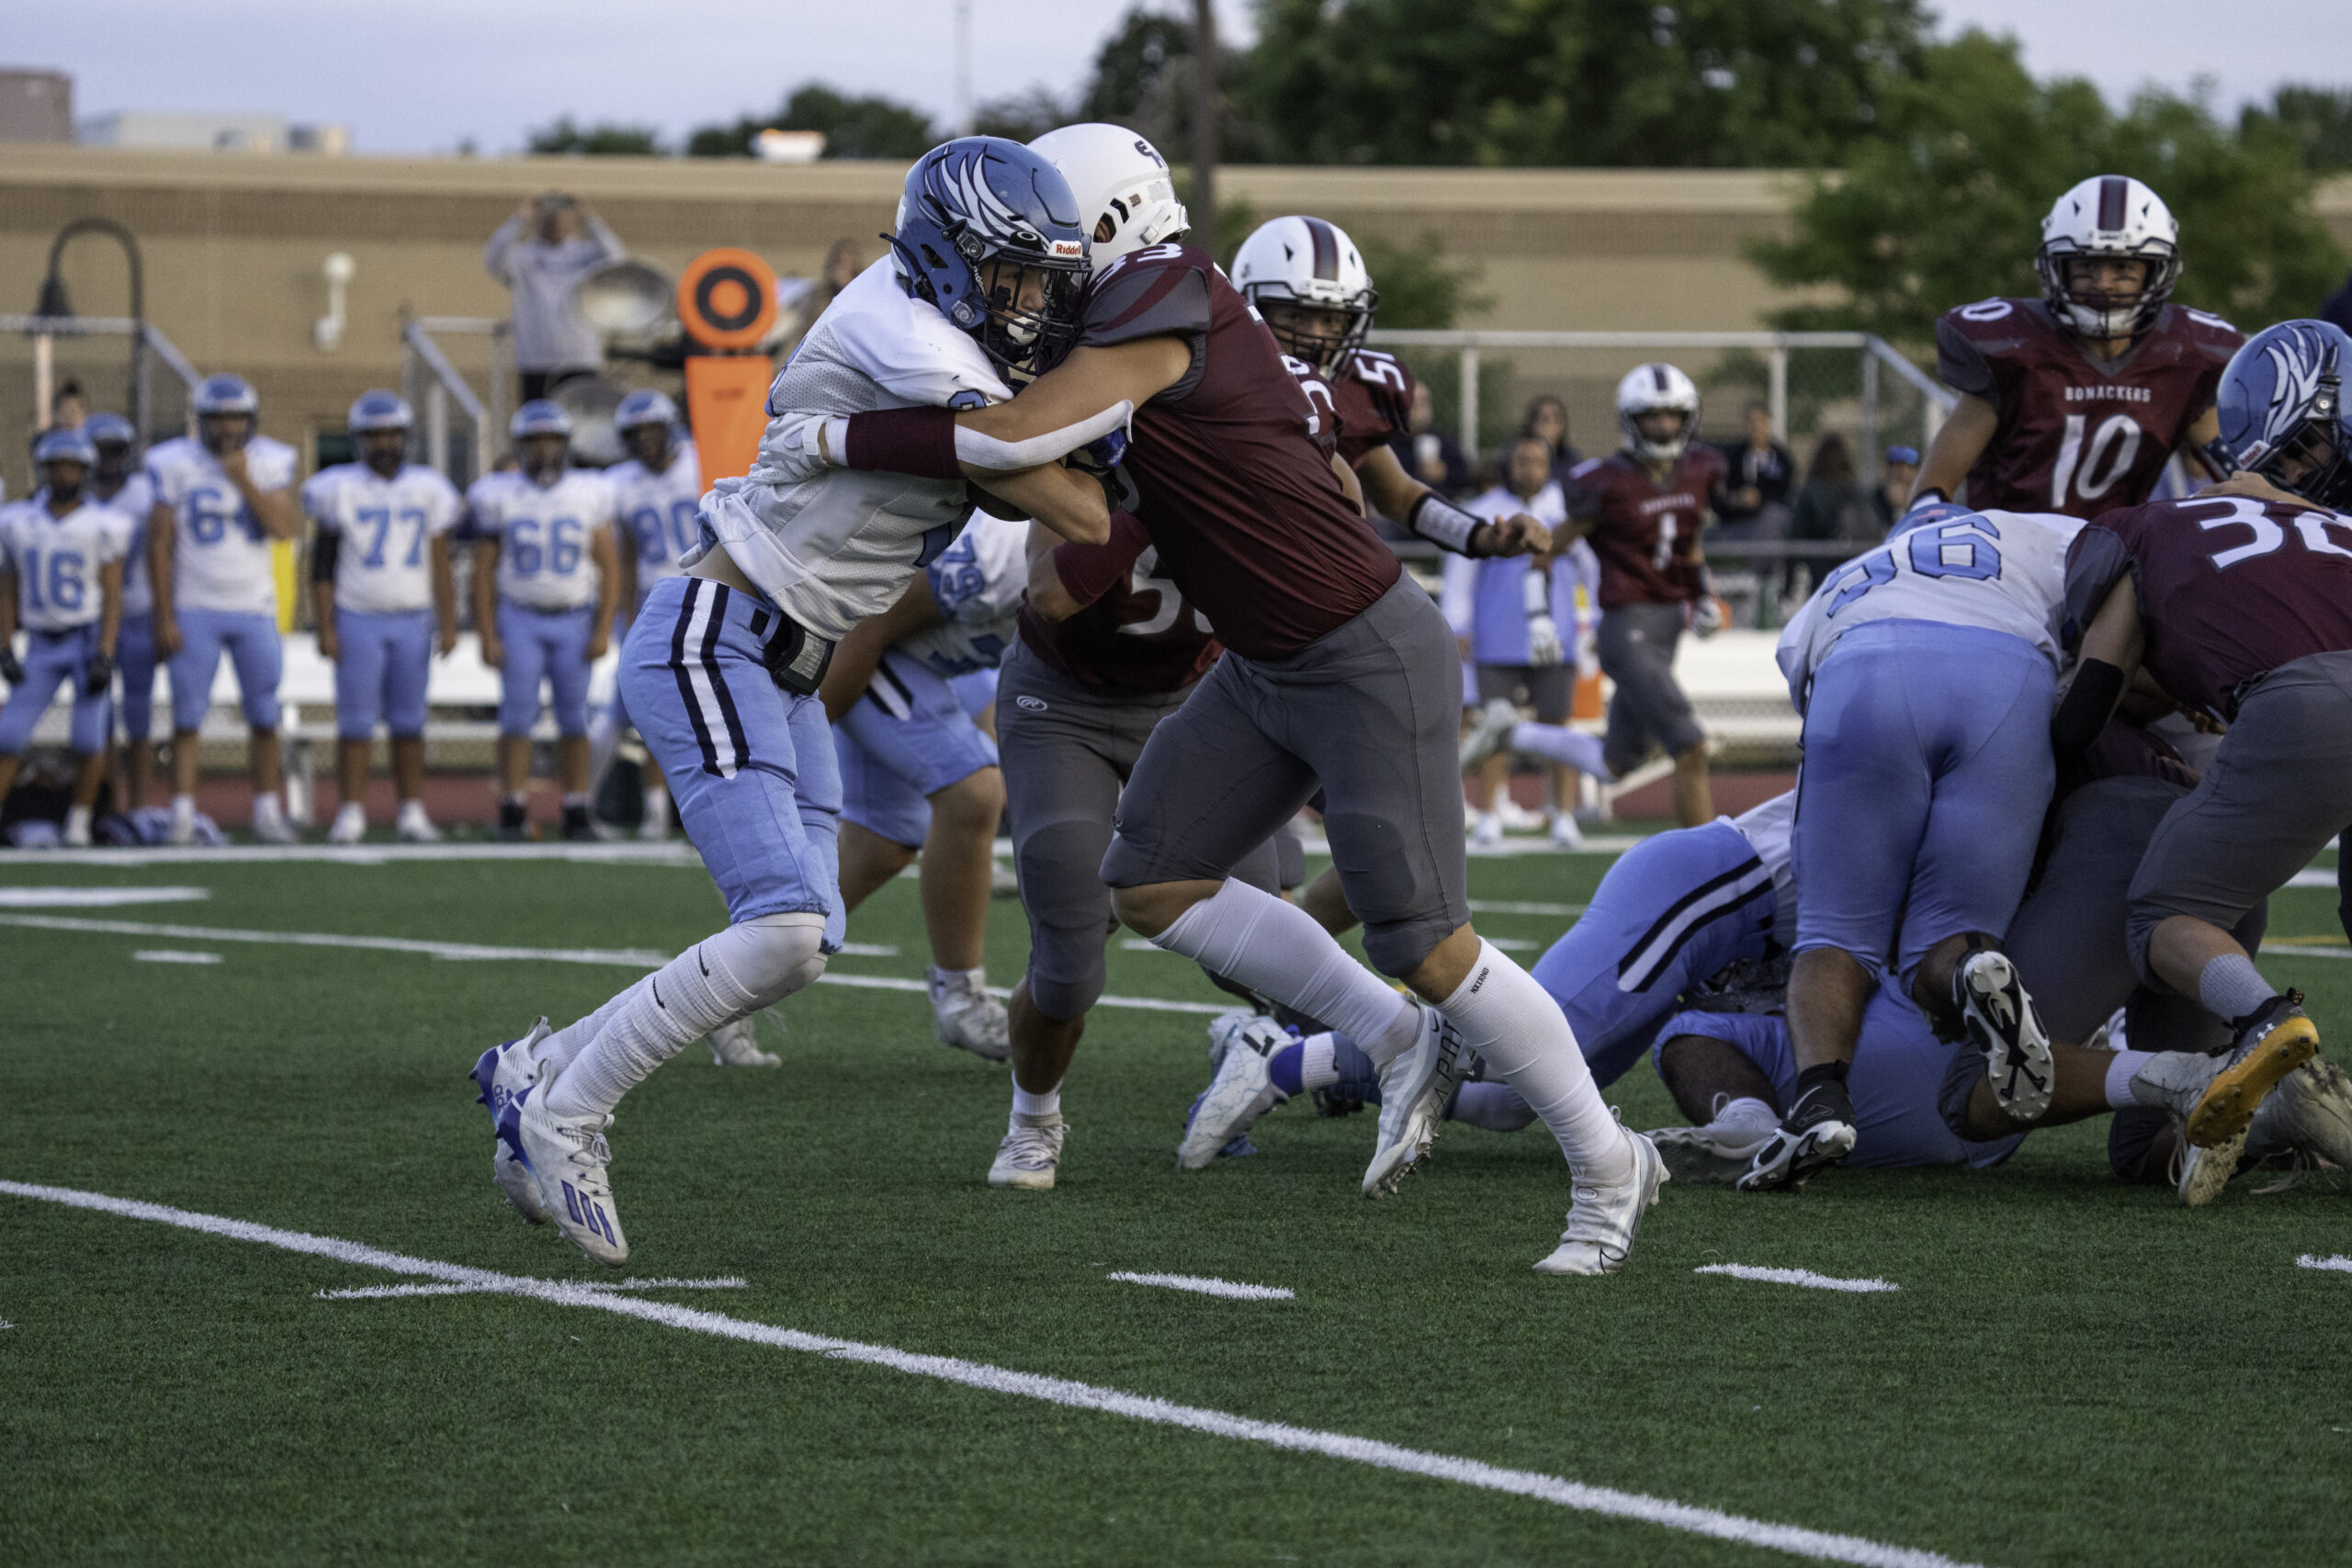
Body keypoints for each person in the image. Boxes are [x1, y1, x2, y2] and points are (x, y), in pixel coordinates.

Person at [818, 136, 1659, 1278]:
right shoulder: (1137, 310)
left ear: (1108, 222)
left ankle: (1610, 1165)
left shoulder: (1165, 293)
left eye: (1056, 234)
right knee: (1152, 880)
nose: (1041, 263)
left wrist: (831, 431)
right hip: (1264, 662)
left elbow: (1014, 437)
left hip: (1363, 649)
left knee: (1424, 935)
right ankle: (1395, 1036)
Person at [472, 136, 1112, 1265]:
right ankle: (564, 1119)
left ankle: (539, 1067)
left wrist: (848, 436)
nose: (1028, 304)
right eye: (1012, 276)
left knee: (803, 942)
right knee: (783, 927)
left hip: (789, 662)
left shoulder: (936, 328)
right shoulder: (900, 324)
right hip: (717, 640)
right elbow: (1055, 491)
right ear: (951, 256)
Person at [2047, 319, 2352, 1175]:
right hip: (2316, 700)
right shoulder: (2342, 531)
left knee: (2166, 912)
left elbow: (2085, 707)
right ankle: (2282, 1127)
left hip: (2312, 702)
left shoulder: (2147, 526)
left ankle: (2267, 1021)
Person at [1181, 792, 1792, 1171]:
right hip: (1712, 892)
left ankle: (1298, 1062)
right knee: (1505, 1054)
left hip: (1758, 936)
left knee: (1504, 1103)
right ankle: (1276, 1054)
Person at [1748, 502, 2082, 1191]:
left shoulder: (1858, 570)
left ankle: (1820, 1100)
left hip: (1864, 665)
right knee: (1955, 934)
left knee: (1836, 933)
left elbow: (1804, 687)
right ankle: (1969, 973)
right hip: (2010, 675)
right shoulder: (2042, 532)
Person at [815, 512, 1026, 1060]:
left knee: (880, 845)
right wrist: (800, 752)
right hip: (861, 635)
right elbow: (869, 622)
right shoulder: (999, 552)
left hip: (929, 657)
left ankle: (735, 972)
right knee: (973, 791)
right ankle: (960, 996)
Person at [1912, 175, 2243, 515]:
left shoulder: (2186, 358)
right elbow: (1932, 490)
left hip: (2118, 555)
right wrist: (1929, 521)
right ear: (2057, 268)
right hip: (2008, 555)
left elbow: (2244, 479)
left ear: (2155, 272)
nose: (2103, 284)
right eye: (2086, 266)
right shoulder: (2013, 349)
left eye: (2123, 268)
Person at [1561, 363, 1726, 828]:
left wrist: (1704, 596)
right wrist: (1536, 611)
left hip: (1668, 623)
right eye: (1652, 417)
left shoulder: (1700, 470)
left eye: (1673, 415)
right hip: (1625, 623)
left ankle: (1512, 733)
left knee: (1615, 764)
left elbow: (1690, 545)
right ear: (1630, 420)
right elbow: (1549, 548)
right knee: (1690, 744)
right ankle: (1706, 864)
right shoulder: (1603, 481)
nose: (1665, 426)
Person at [145, 373, 302, 845]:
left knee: (264, 717)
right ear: (202, 421)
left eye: (235, 417)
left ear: (250, 421)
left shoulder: (270, 461)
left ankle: (267, 812)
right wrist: (164, 615)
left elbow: (282, 527)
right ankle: (181, 815)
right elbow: (159, 545)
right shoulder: (173, 463)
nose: (226, 428)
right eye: (217, 418)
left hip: (254, 607)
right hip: (196, 606)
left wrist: (242, 477)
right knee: (187, 720)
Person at [300, 391, 462, 845]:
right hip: (357, 617)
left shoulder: (428, 488)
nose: (383, 444)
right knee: (354, 724)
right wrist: (326, 624)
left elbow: (440, 560)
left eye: (390, 434)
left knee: (410, 723)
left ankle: (411, 811)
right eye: (373, 435)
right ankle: (350, 813)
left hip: (412, 618)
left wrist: (448, 622)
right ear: (358, 440)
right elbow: (322, 566)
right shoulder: (338, 488)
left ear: (405, 437)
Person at [466, 400, 620, 842]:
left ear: (566, 445)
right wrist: (488, 632)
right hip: (520, 617)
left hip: (575, 617)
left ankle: (577, 808)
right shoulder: (500, 494)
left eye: (552, 441)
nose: (544, 451)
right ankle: (512, 809)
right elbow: (483, 570)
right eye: (535, 443)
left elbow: (609, 566)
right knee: (516, 719)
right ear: (521, 447)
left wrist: (603, 627)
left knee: (575, 720)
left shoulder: (589, 491)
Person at [1453, 433, 1600, 849]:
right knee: (1495, 727)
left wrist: (1593, 619)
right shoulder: (1485, 512)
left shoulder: (1566, 513)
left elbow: (1593, 570)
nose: (1528, 469)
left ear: (1548, 466)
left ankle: (1564, 815)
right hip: (1497, 634)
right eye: (1521, 460)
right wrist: (1459, 625)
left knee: (1557, 726)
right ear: (1508, 464)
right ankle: (1490, 813)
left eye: (1536, 461)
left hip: (1556, 637)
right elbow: (1461, 576)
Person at [0, 428, 129, 846]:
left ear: (86, 471)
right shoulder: (17, 521)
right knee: (9, 734)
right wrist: (5, 646)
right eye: (57, 467)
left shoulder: (103, 523)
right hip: (40, 641)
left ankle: (79, 821)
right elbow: (8, 590)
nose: (64, 475)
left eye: (72, 467)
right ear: (44, 470)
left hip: (86, 638)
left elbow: (112, 593)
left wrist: (105, 653)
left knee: (89, 736)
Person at [605, 389, 701, 840]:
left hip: (707, 593)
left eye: (652, 431)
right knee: (654, 714)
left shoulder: (702, 461)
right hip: (654, 603)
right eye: (636, 434)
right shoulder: (620, 483)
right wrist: (624, 620)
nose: (645, 441)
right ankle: (655, 814)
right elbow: (624, 559)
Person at [81, 412, 158, 809]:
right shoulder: (74, 500)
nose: (109, 460)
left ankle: (140, 806)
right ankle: (107, 806)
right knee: (100, 722)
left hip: (140, 615)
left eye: (116, 452)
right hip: (92, 621)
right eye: (101, 452)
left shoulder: (146, 494)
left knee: (139, 719)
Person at [483, 192, 625, 403]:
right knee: (537, 426)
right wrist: (519, 219)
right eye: (548, 214)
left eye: (562, 214)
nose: (555, 221)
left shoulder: (586, 254)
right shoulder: (522, 256)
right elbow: (492, 258)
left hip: (581, 359)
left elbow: (617, 261)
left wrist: (590, 219)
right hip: (535, 361)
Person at [1783, 434, 1878, 598]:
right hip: (1860, 573)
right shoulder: (1859, 492)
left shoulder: (1811, 492)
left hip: (1824, 575)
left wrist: (1788, 587)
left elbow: (1796, 539)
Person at [1712, 400, 1793, 544]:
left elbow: (1786, 494)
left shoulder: (1782, 460)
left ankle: (1756, 567)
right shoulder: (1731, 458)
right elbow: (1718, 497)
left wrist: (1760, 498)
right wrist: (1736, 500)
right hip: (1737, 524)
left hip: (1769, 526)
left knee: (1774, 517)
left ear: (1768, 423)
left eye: (1760, 420)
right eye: (1751, 421)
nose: (1756, 426)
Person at [1387, 379, 1470, 498]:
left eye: (1423, 403)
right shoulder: (1387, 445)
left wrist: (1445, 472)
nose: (1418, 411)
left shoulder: (1445, 442)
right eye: (1412, 404)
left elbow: (1466, 478)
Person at [1522, 394, 1583, 488]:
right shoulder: (1519, 455)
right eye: (1545, 419)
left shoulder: (1571, 458)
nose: (1551, 425)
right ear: (1532, 423)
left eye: (1556, 419)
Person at [1872, 445, 1921, 534]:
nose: (1900, 472)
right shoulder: (1875, 498)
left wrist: (1902, 508)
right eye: (1894, 466)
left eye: (1906, 466)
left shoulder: (1922, 498)